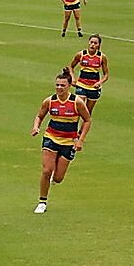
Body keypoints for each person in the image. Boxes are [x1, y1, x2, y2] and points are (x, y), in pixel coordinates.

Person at [30, 68, 92, 214]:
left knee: (58, 178)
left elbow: (88, 120)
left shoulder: (77, 102)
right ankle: (42, 202)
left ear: (69, 86)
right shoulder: (49, 101)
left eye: (62, 85)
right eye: (57, 85)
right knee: (46, 170)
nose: (59, 88)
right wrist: (36, 127)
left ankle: (53, 176)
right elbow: (40, 115)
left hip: (68, 142)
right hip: (51, 138)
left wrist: (80, 140)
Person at [68, 35, 110, 115]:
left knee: (87, 113)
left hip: (93, 88)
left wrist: (99, 82)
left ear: (99, 45)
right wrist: (72, 78)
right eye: (91, 42)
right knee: (78, 109)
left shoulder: (102, 57)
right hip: (81, 85)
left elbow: (106, 75)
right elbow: (71, 67)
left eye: (95, 43)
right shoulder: (81, 54)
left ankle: (84, 127)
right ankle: (74, 127)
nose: (92, 45)